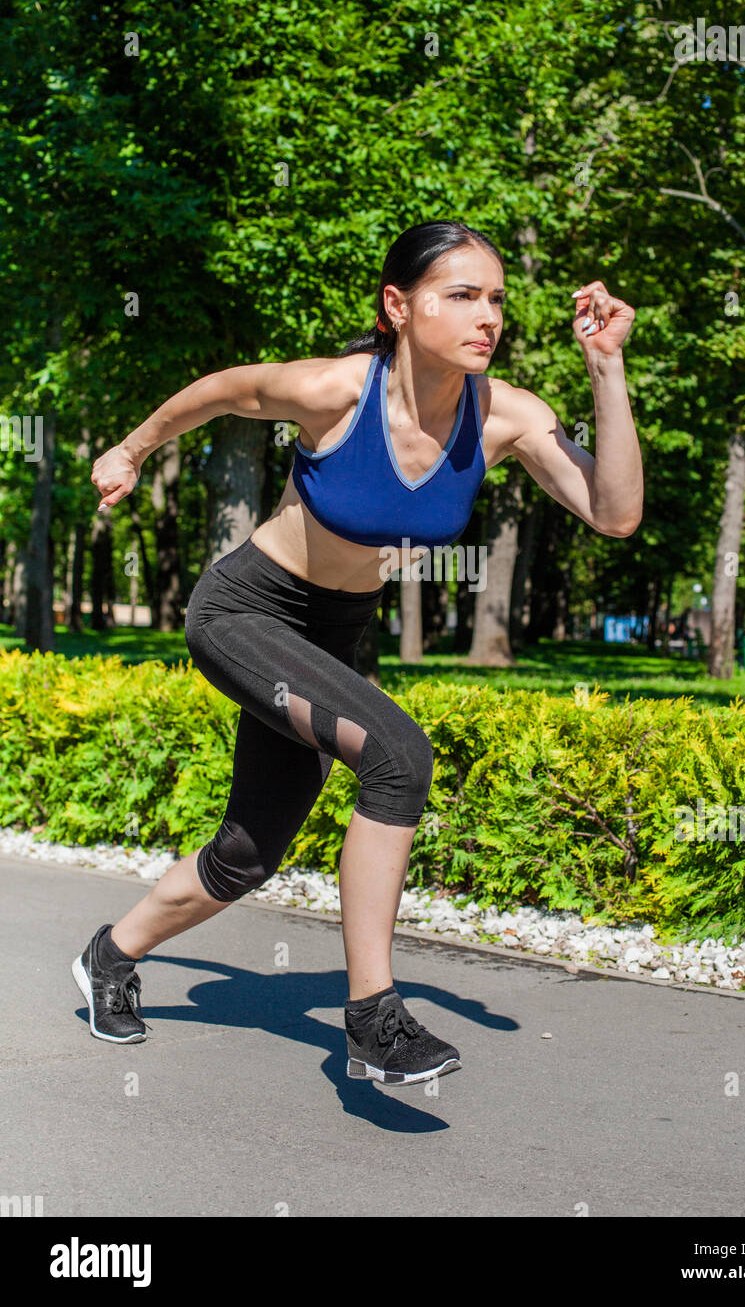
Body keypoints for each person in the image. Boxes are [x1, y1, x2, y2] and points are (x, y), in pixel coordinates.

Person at [72, 219, 642, 1086]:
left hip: (333, 633)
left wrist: (607, 368)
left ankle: (107, 956)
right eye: (461, 296)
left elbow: (615, 512)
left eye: (496, 299)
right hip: (245, 612)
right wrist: (130, 449)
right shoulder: (337, 391)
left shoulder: (506, 417)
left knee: (247, 855)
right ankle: (373, 1019)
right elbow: (223, 389)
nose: (487, 316)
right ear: (398, 306)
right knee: (399, 760)